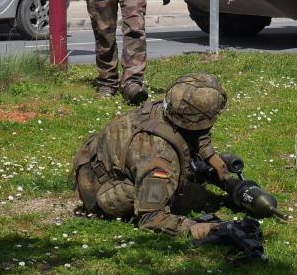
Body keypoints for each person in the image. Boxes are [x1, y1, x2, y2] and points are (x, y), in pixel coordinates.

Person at [72, 73, 230, 241]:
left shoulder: (164, 109)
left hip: (96, 163)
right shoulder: (160, 157)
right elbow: (151, 218)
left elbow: (196, 129)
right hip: (103, 189)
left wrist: (210, 156)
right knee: (195, 194)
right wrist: (199, 229)